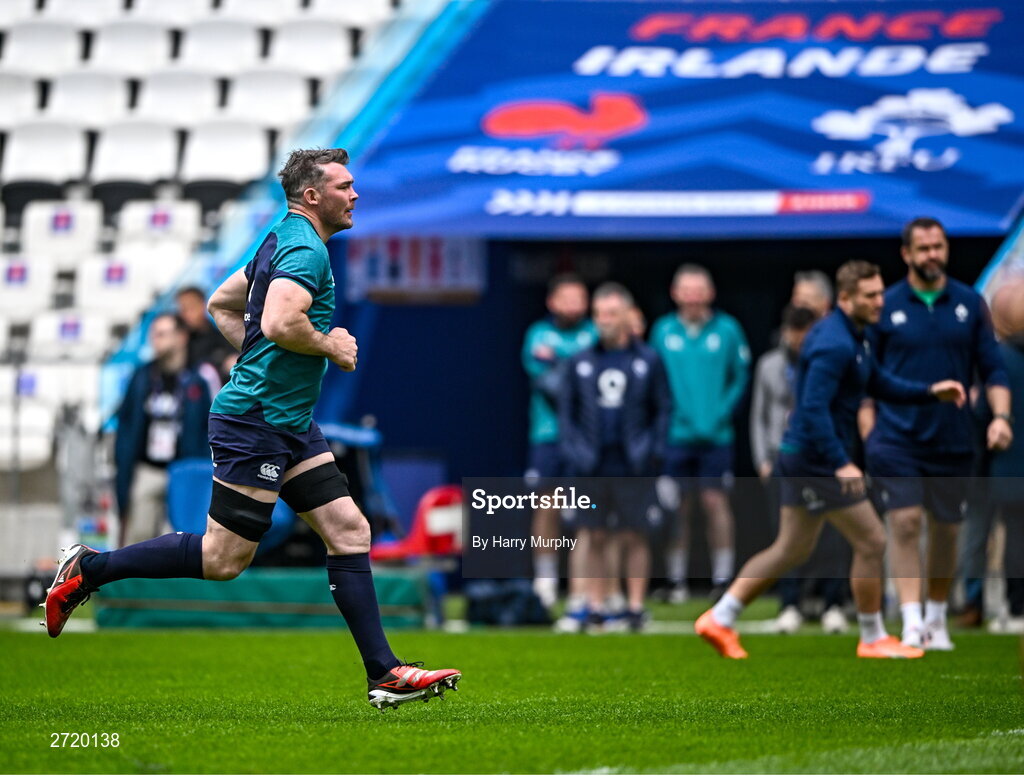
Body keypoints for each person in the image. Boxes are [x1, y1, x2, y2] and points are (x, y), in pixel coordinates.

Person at [44, 148, 461, 710]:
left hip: (287, 422)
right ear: (312, 196)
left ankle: (384, 673)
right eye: (344, 185)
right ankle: (89, 568)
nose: (354, 194)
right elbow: (280, 320)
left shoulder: (279, 237)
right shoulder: (303, 246)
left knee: (349, 530)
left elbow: (223, 302)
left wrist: (257, 356)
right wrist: (329, 344)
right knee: (223, 560)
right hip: (256, 423)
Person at [695, 260, 966, 660]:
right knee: (872, 539)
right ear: (844, 299)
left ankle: (721, 617)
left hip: (805, 458)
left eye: (879, 293)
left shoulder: (856, 336)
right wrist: (840, 461)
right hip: (815, 461)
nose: (880, 301)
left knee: (791, 548)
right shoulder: (832, 343)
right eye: (871, 296)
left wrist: (929, 392)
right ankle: (872, 637)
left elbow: (877, 382)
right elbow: (813, 409)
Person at [862, 217, 1011, 650]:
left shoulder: (969, 303)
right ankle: (910, 620)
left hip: (953, 437)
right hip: (896, 437)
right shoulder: (885, 305)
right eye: (923, 248)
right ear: (906, 254)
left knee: (947, 529)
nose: (933, 255)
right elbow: (866, 376)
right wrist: (869, 429)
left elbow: (993, 367)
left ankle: (936, 615)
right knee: (905, 522)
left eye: (938, 246)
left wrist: (1001, 417)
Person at [560, 283, 671, 632]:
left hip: (633, 463)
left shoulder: (648, 359)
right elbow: (568, 415)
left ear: (626, 315)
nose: (603, 321)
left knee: (636, 533)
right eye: (598, 314)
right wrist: (577, 453)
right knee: (593, 534)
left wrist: (652, 450)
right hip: (592, 464)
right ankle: (596, 605)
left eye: (610, 313)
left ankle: (635, 606)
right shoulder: (580, 361)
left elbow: (663, 409)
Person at [649, 264, 750, 601]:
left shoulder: (728, 330)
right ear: (675, 294)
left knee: (715, 503)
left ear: (710, 293)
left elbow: (740, 376)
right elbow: (653, 382)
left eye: (699, 290)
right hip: (676, 435)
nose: (692, 298)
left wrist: (722, 413)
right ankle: (676, 581)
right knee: (678, 507)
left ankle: (723, 579)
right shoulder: (663, 331)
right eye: (686, 291)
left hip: (716, 436)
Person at [751, 305, 850, 634]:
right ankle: (788, 602)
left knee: (835, 534)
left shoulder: (831, 361)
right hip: (786, 458)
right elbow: (760, 414)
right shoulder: (770, 365)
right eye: (794, 334)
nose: (799, 341)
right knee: (787, 539)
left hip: (823, 458)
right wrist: (763, 459)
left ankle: (832, 602)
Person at [521, 273, 597, 609]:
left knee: (585, 510)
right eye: (566, 298)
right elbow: (547, 383)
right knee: (546, 506)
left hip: (587, 437)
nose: (573, 305)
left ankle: (585, 587)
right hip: (548, 435)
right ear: (552, 302)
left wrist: (562, 366)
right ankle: (546, 581)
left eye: (579, 298)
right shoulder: (538, 333)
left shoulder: (595, 334)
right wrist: (579, 376)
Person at [114, 313, 211, 547]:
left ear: (181, 337)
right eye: (153, 335)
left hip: (183, 471)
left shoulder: (199, 380)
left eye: (162, 334)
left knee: (181, 544)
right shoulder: (142, 377)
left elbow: (208, 430)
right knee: (136, 542)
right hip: (147, 470)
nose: (155, 340)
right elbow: (126, 426)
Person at [176, 285, 235, 390]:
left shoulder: (222, 336)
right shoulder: (181, 343)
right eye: (182, 310)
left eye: (190, 307)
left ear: (203, 305)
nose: (185, 315)